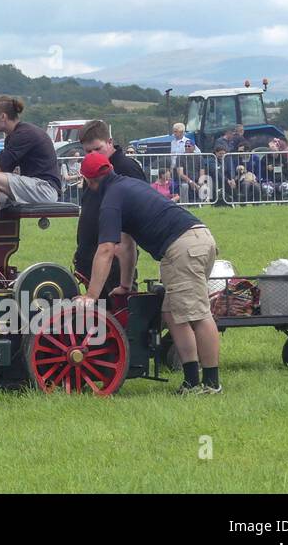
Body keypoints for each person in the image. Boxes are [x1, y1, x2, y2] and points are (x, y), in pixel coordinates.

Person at [78, 151, 222, 395]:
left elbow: (106, 249)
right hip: (195, 240)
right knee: (172, 313)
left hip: (183, 248)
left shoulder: (111, 199)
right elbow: (127, 246)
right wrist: (125, 286)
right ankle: (191, 381)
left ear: (89, 181)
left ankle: (211, 384)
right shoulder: (126, 186)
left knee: (197, 314)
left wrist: (90, 296)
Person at [0, 96, 62, 250]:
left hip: (45, 189)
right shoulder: (13, 136)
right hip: (33, 187)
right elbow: (3, 171)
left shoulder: (24, 134)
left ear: (3, 116)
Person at [74, 120, 145, 298]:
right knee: (98, 311)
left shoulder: (127, 167)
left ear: (110, 142)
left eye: (97, 149)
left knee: (119, 307)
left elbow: (135, 214)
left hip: (114, 257)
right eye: (88, 151)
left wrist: (119, 251)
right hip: (92, 253)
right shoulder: (91, 168)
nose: (93, 155)